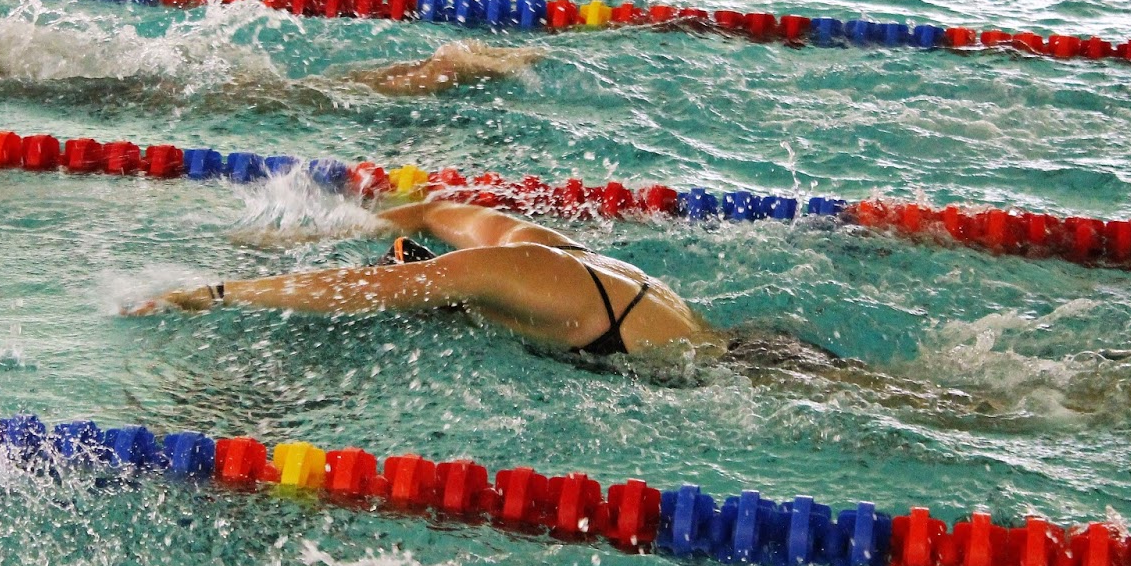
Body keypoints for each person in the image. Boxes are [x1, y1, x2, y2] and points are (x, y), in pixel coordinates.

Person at [128, 200, 732, 359]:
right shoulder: (521, 241)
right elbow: (432, 211)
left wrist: (221, 292)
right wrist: (311, 237)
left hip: (699, 377)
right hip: (721, 340)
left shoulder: (476, 272)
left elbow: (361, 289)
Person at [0, 0, 550, 95]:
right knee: (311, 89)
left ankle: (448, 67)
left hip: (156, 89)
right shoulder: (24, 41)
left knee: (309, 96)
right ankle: (443, 63)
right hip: (161, 69)